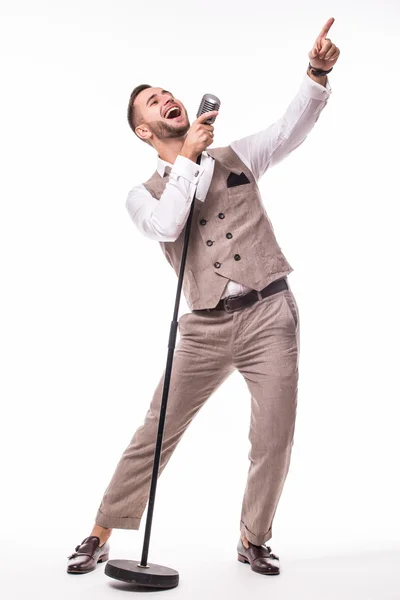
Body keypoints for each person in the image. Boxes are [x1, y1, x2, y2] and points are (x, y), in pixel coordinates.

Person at [67, 18, 340, 576]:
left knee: (274, 435)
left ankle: (253, 537)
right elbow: (169, 227)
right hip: (205, 326)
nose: (165, 98)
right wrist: (188, 158)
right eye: (152, 101)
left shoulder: (239, 157)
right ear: (145, 131)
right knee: (157, 429)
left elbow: (291, 127)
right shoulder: (141, 196)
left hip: (269, 313)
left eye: (166, 92)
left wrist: (316, 73)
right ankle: (101, 531)